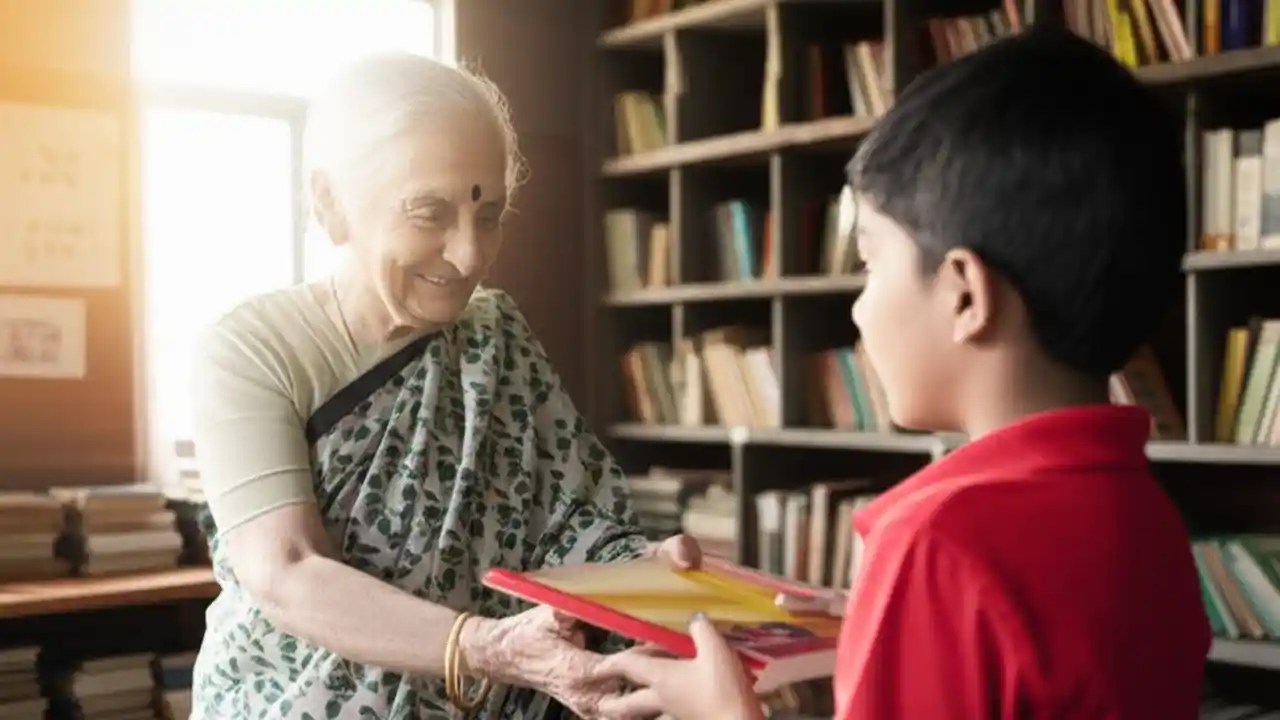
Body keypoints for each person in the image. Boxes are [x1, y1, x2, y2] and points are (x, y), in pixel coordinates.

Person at [590, 27, 1212, 720]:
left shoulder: (939, 543)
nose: (858, 310)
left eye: (869, 264)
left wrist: (726, 713)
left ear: (965, 294)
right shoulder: (1145, 512)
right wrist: (873, 628)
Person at [187, 52, 698, 720]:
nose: (469, 255)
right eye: (430, 213)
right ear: (332, 205)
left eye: (489, 215)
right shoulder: (250, 350)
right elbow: (287, 574)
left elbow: (570, 521)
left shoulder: (497, 336)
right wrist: (486, 645)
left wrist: (642, 569)